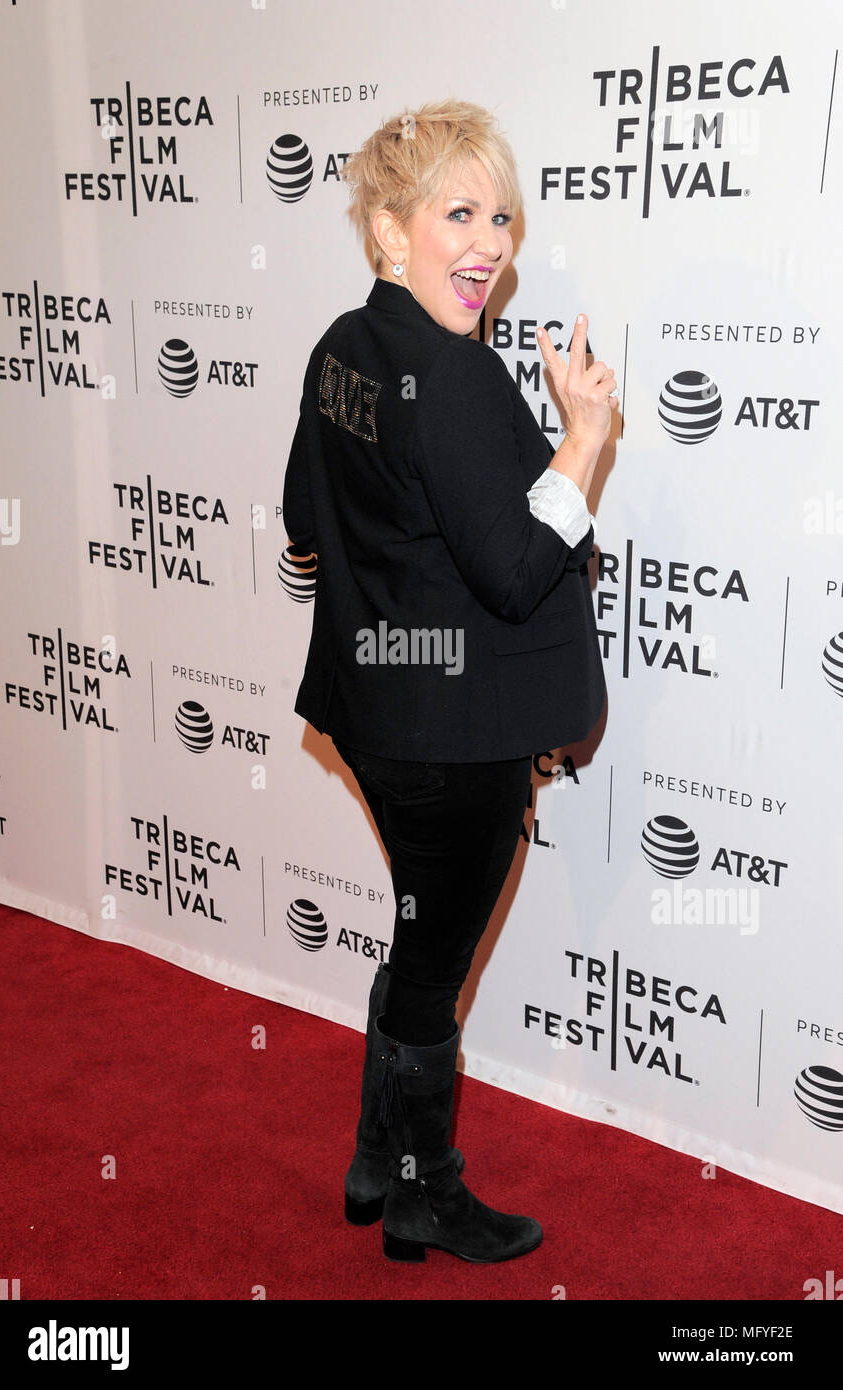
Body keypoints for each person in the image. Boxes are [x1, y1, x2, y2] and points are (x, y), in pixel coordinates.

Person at [282, 99, 615, 1264]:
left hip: (371, 713)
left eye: (503, 217)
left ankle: (378, 1158)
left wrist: (405, 566)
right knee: (430, 967)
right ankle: (424, 1190)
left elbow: (300, 527)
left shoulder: (341, 347)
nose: (489, 244)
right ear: (388, 230)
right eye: (457, 213)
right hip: (454, 737)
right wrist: (579, 437)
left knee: (416, 932)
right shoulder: (461, 378)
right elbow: (522, 573)